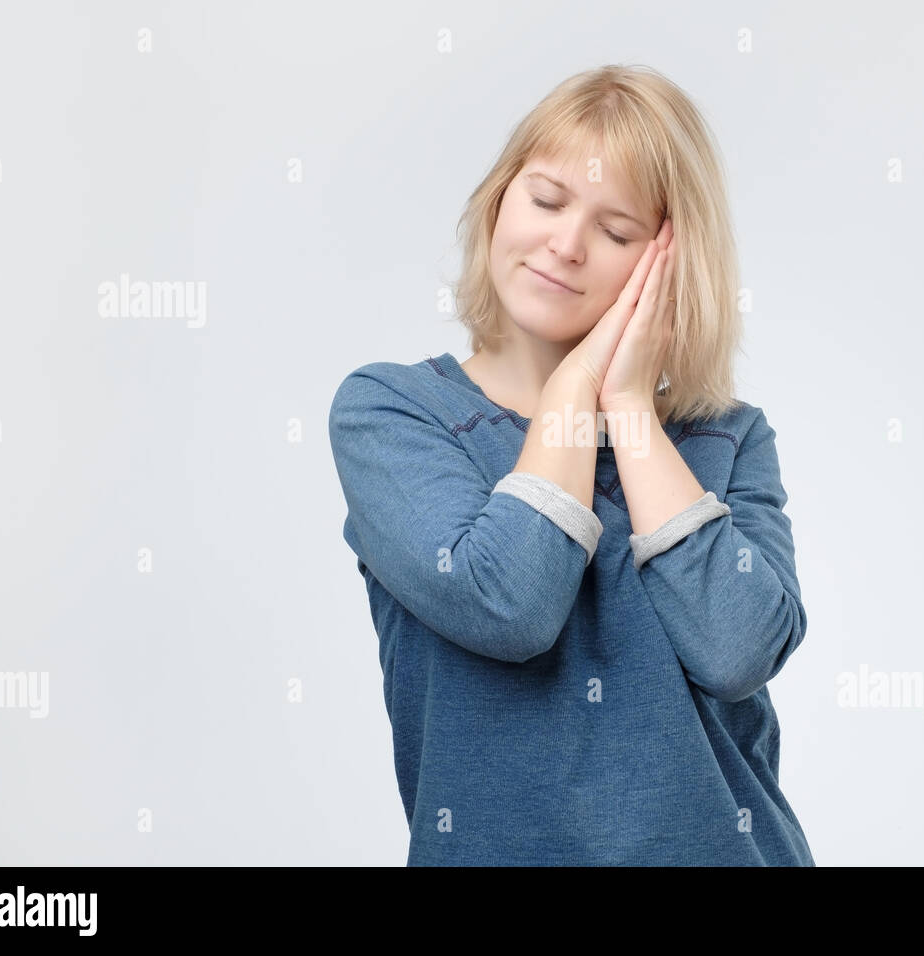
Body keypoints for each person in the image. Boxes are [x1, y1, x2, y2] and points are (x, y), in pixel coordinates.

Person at [328, 64, 814, 866]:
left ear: (668, 267)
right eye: (547, 200)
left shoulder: (727, 439)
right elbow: (507, 602)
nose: (565, 243)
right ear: (499, 199)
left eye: (617, 232)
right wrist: (578, 385)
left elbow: (737, 652)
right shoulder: (394, 411)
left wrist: (627, 409)